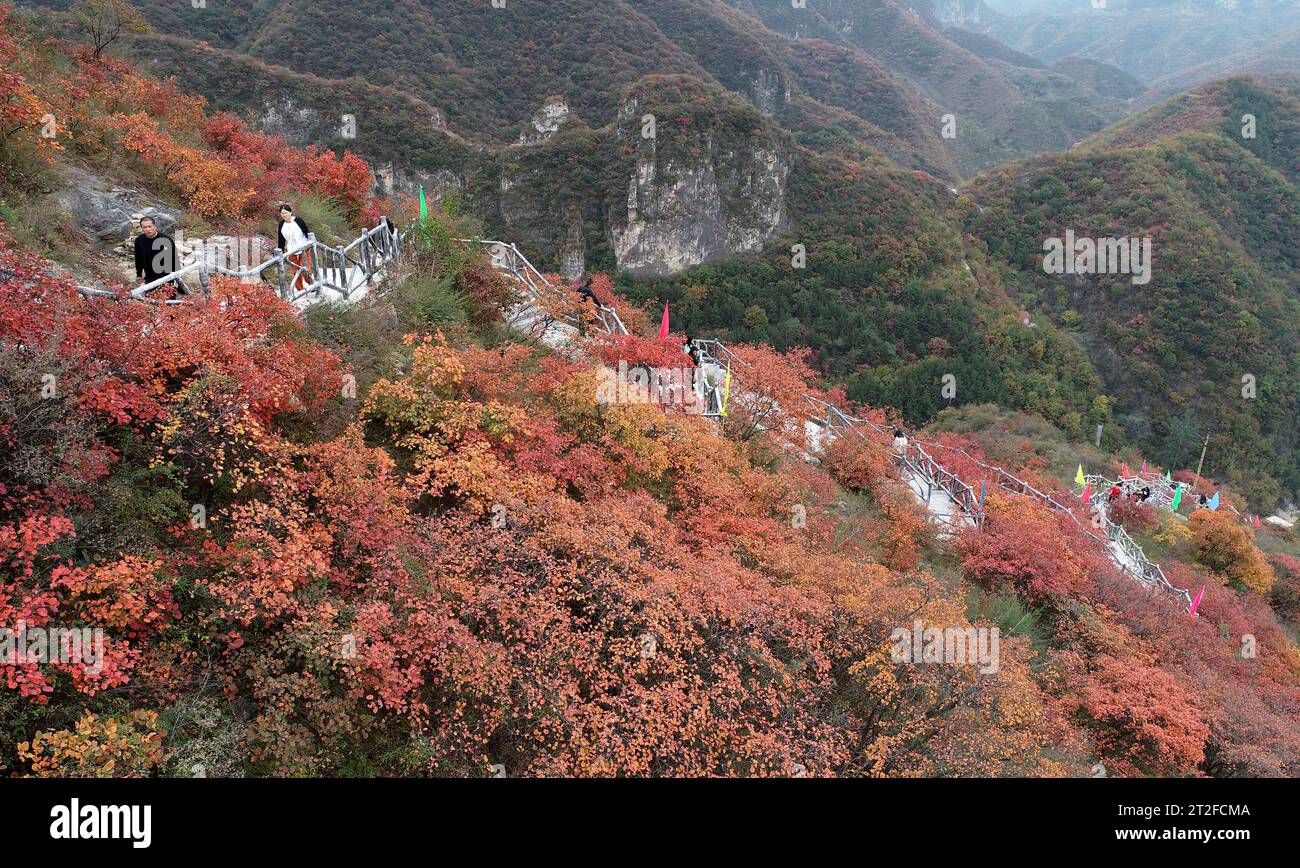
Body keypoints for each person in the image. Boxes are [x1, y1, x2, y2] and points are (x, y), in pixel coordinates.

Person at [132, 216, 179, 290]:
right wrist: (139, 274)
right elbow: (138, 259)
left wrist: (175, 277)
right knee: (150, 300)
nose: (148, 229)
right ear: (142, 228)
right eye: (144, 227)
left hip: (166, 278)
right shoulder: (139, 240)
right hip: (149, 277)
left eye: (150, 226)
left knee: (168, 300)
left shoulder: (166, 240)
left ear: (155, 226)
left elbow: (174, 260)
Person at [276, 203, 313, 292]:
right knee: (294, 271)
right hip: (291, 250)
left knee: (305, 269)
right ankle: (300, 290)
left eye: (285, 213)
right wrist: (280, 251)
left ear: (290, 212)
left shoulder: (298, 221)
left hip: (304, 248)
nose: (284, 215)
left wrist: (311, 244)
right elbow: (281, 239)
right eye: (282, 213)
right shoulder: (281, 224)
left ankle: (311, 284)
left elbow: (307, 232)